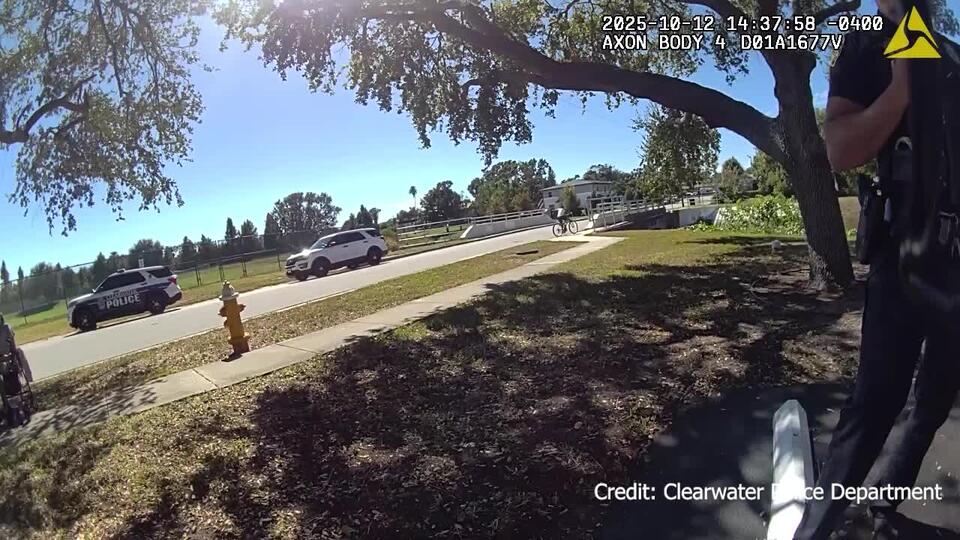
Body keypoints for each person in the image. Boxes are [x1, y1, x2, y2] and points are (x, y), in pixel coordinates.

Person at [794, 2, 960, 539]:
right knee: (875, 404)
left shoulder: (953, 54)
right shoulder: (866, 40)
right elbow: (839, 149)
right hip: (905, 254)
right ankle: (815, 529)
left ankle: (887, 499)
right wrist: (899, 93)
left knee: (937, 394)